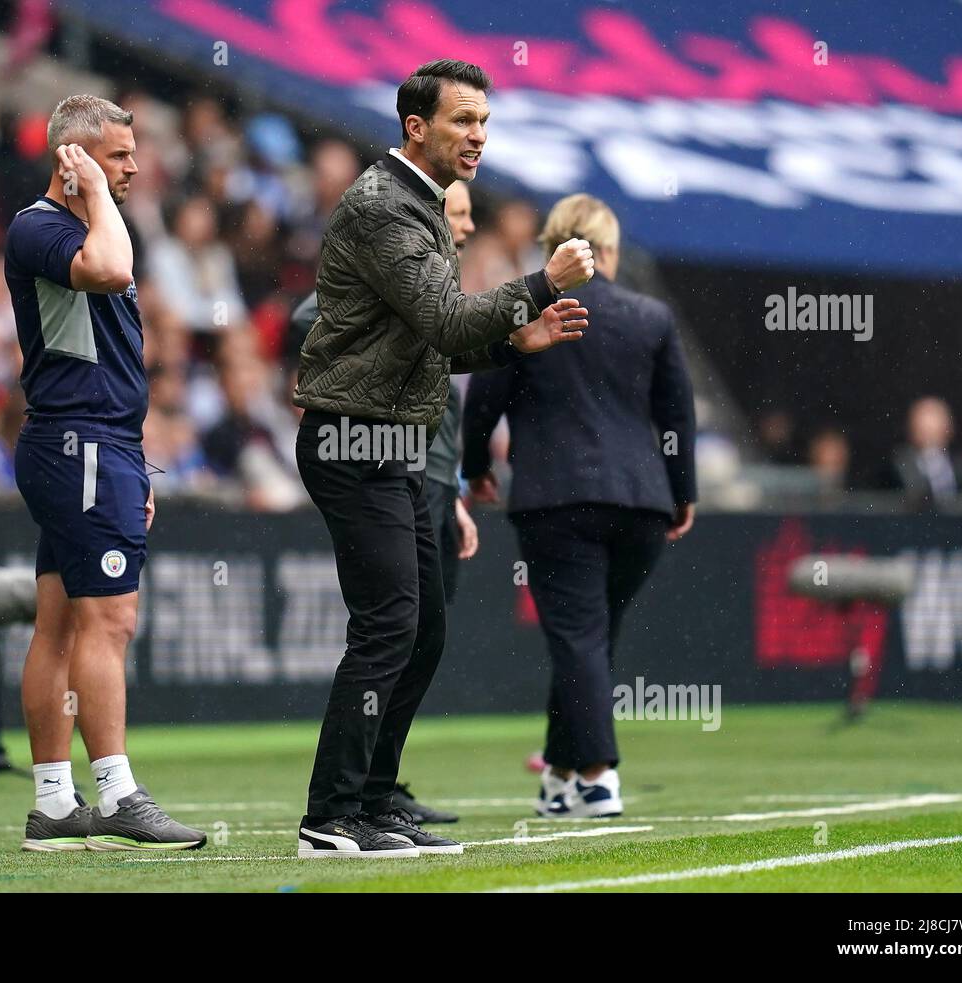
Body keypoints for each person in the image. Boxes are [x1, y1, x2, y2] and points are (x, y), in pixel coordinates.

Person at [292, 59, 594, 858]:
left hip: (390, 442)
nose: (480, 136)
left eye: (485, 122)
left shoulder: (417, 203)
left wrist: (510, 340)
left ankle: (372, 800)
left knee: (418, 627)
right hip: (353, 439)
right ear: (415, 127)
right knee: (390, 622)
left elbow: (429, 343)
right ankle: (330, 814)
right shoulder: (384, 205)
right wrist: (538, 284)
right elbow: (442, 317)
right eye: (464, 120)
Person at [5, 95, 204, 852]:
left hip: (97, 445)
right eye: (119, 154)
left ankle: (55, 804)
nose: (133, 166)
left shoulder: (81, 223)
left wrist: (134, 461)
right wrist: (91, 187)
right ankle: (117, 791)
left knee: (59, 624)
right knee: (110, 620)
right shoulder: (43, 226)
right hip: (79, 445)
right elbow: (113, 267)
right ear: (76, 156)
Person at [462, 193, 696, 819]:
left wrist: (475, 469)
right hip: (640, 505)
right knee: (591, 639)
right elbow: (677, 417)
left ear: (551, 247)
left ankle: (596, 777)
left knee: (580, 639)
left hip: (556, 499)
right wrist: (683, 493)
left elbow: (484, 395)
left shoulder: (525, 310)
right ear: (609, 250)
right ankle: (561, 775)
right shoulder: (650, 317)